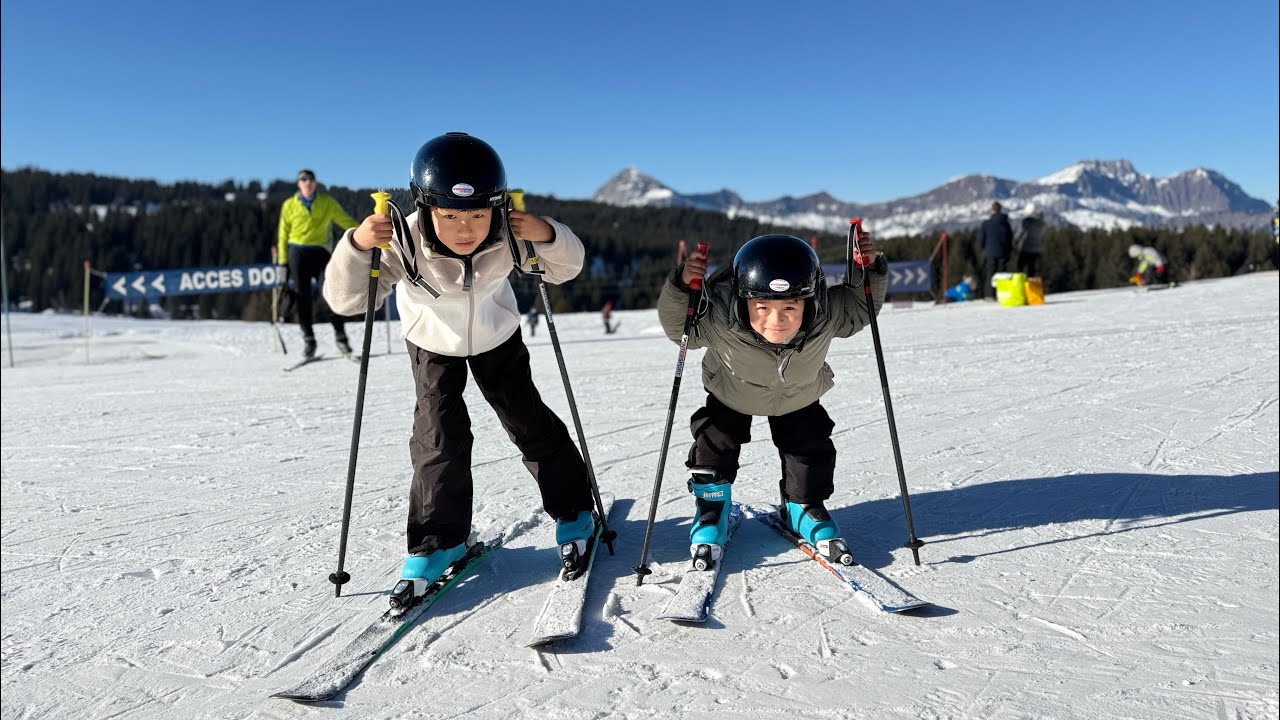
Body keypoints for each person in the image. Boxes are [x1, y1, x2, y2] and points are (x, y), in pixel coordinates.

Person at [322, 132, 599, 587]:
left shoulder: (509, 231)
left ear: (496, 207)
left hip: (496, 335)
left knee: (527, 420)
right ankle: (439, 539)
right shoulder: (403, 239)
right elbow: (347, 301)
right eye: (449, 215)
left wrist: (548, 235)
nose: (465, 229)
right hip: (432, 341)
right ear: (426, 207)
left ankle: (574, 510)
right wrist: (357, 245)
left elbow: (566, 268)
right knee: (438, 437)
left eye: (477, 214)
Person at [657, 232, 887, 569]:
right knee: (714, 442)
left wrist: (868, 270)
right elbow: (681, 329)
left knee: (809, 447)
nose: (776, 320)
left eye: (790, 307)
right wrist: (681, 286)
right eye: (762, 307)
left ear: (810, 301)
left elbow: (859, 307)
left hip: (798, 396)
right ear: (742, 301)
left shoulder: (827, 313)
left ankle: (803, 505)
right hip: (733, 393)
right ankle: (712, 507)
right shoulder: (719, 316)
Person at [277, 169, 359, 358]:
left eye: (310, 179)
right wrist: (282, 263)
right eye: (303, 179)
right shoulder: (289, 205)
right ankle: (309, 340)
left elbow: (344, 220)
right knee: (302, 297)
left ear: (315, 183)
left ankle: (341, 338)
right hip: (297, 253)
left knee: (331, 294)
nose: (307, 182)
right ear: (299, 184)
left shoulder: (326, 202)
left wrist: (365, 231)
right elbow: (282, 234)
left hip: (320, 252)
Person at [976, 201, 1013, 300]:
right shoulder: (1006, 223)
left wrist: (984, 247)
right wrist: (1009, 250)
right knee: (1002, 273)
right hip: (1004, 251)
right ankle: (1001, 293)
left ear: (992, 210)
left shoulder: (986, 224)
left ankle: (989, 294)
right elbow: (1010, 238)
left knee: (990, 273)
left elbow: (981, 238)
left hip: (990, 251)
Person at [1015, 203, 1045, 277]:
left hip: (1025, 247)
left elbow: (1020, 233)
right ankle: (1031, 282)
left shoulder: (1026, 222)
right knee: (1032, 268)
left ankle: (1020, 282)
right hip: (1036, 248)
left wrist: (1016, 242)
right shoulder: (1041, 224)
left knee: (1020, 267)